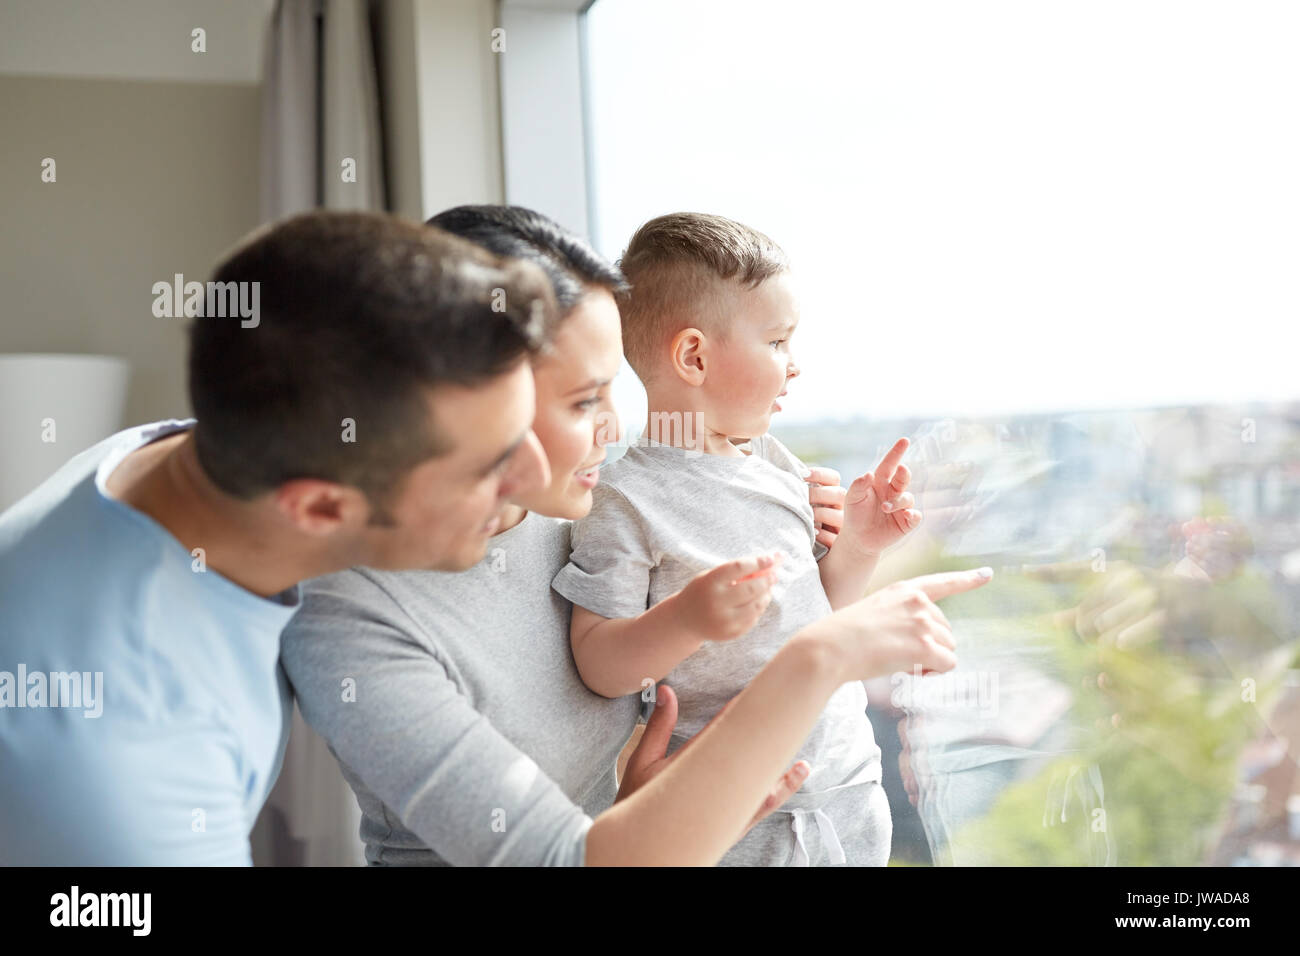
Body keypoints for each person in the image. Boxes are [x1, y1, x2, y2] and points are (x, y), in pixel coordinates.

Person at [280, 205, 994, 865]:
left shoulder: (570, 502)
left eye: (608, 391)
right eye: (584, 400)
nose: (616, 428)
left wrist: (654, 811)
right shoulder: (352, 625)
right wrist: (820, 658)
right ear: (468, 400)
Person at [0, 211, 559, 864]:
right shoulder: (122, 760)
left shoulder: (182, 456)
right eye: (492, 465)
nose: (537, 477)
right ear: (322, 508)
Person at [552, 212, 927, 865]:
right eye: (779, 342)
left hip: (843, 794)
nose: (795, 365)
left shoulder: (778, 467)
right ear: (693, 356)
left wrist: (860, 545)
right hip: (739, 823)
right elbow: (600, 665)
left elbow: (815, 618)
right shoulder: (625, 501)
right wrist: (688, 618)